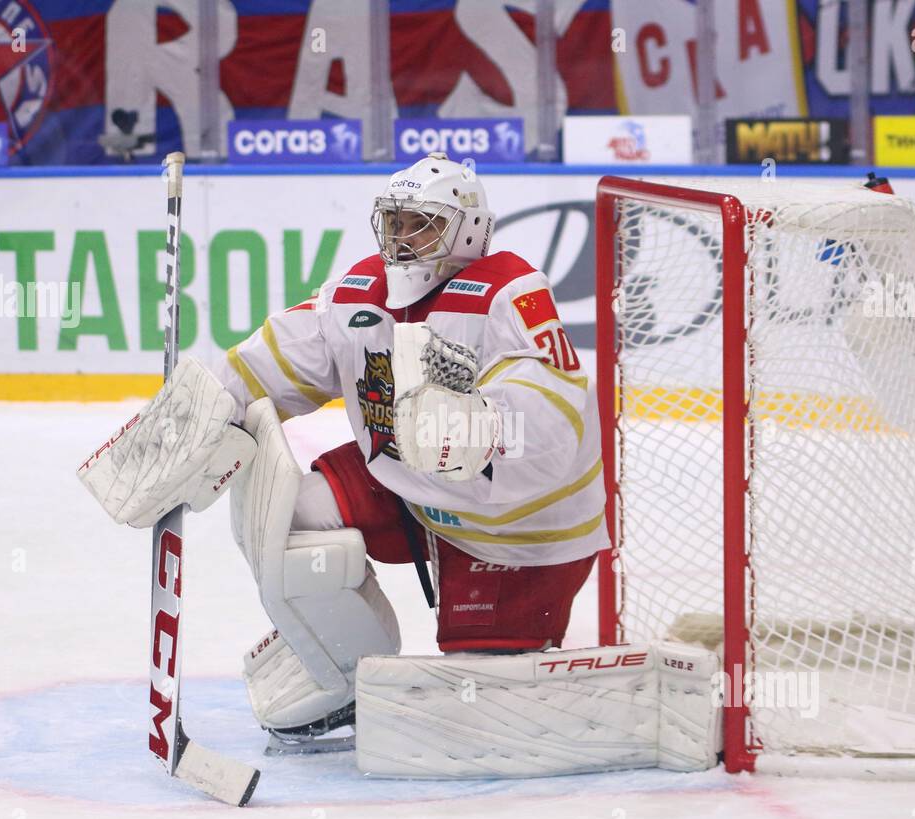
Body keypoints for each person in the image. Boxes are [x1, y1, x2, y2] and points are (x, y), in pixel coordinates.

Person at [79, 152, 606, 752]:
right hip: (409, 489)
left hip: (516, 524)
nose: (403, 240)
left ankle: (506, 657)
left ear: (468, 232)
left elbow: (556, 409)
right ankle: (345, 664)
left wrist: (481, 423)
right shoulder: (358, 293)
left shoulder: (507, 289)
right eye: (395, 222)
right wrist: (190, 422)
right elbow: (272, 362)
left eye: (421, 224)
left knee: (484, 697)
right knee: (286, 513)